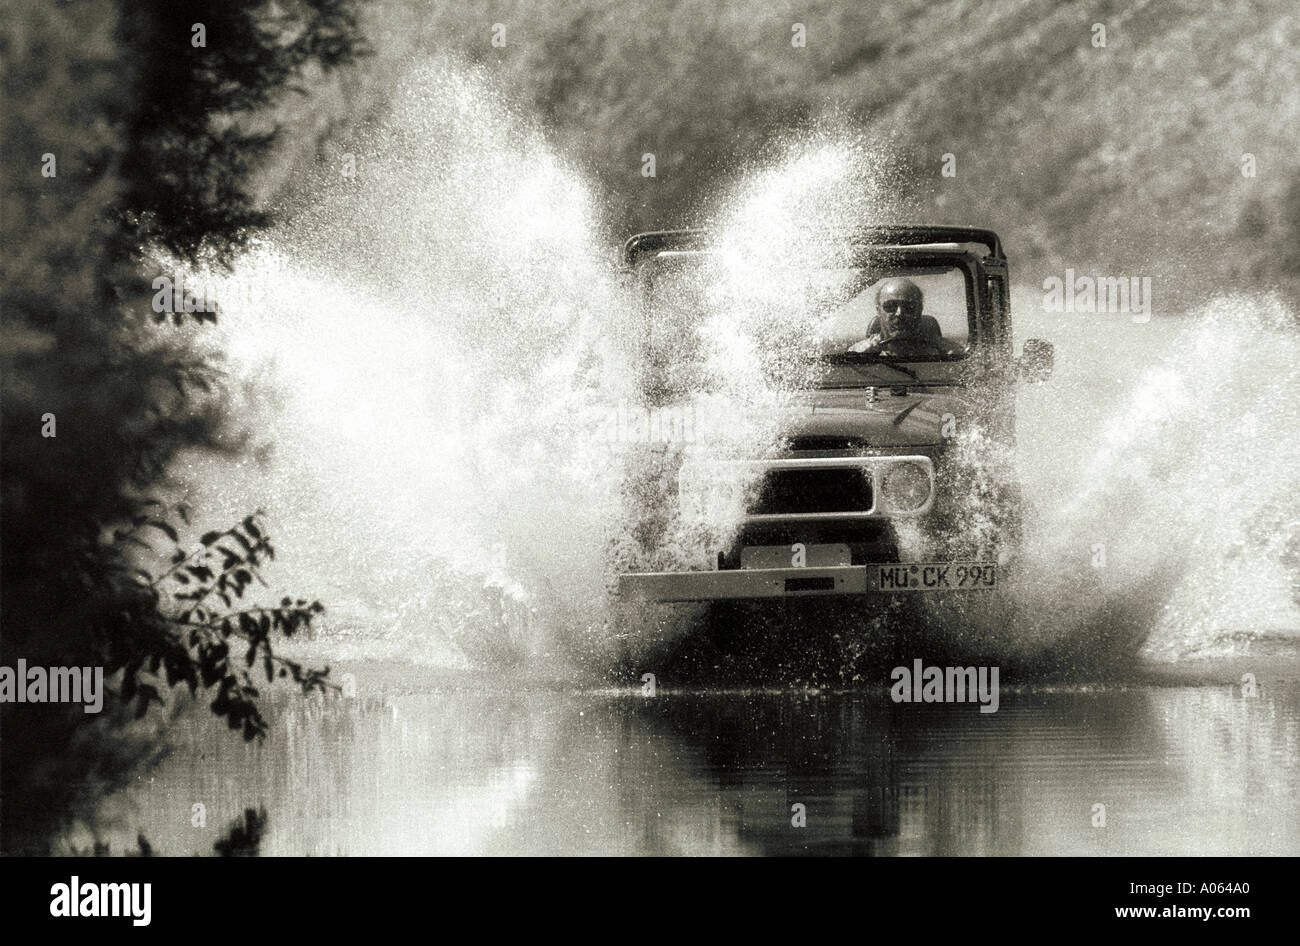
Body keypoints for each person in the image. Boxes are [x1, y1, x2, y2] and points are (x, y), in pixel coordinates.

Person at [848, 277, 963, 359]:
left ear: (920, 310)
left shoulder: (946, 353)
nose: (899, 313)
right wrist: (858, 358)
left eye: (909, 306)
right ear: (879, 311)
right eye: (890, 306)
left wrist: (953, 356)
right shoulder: (859, 352)